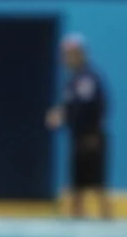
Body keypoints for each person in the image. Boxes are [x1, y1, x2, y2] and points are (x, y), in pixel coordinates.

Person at [44, 34, 110, 220]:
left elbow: (94, 108)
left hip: (90, 137)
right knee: (77, 184)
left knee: (96, 183)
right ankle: (77, 218)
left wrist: (92, 134)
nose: (66, 59)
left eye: (70, 54)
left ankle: (105, 219)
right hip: (78, 136)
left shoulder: (88, 79)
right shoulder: (73, 80)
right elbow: (72, 107)